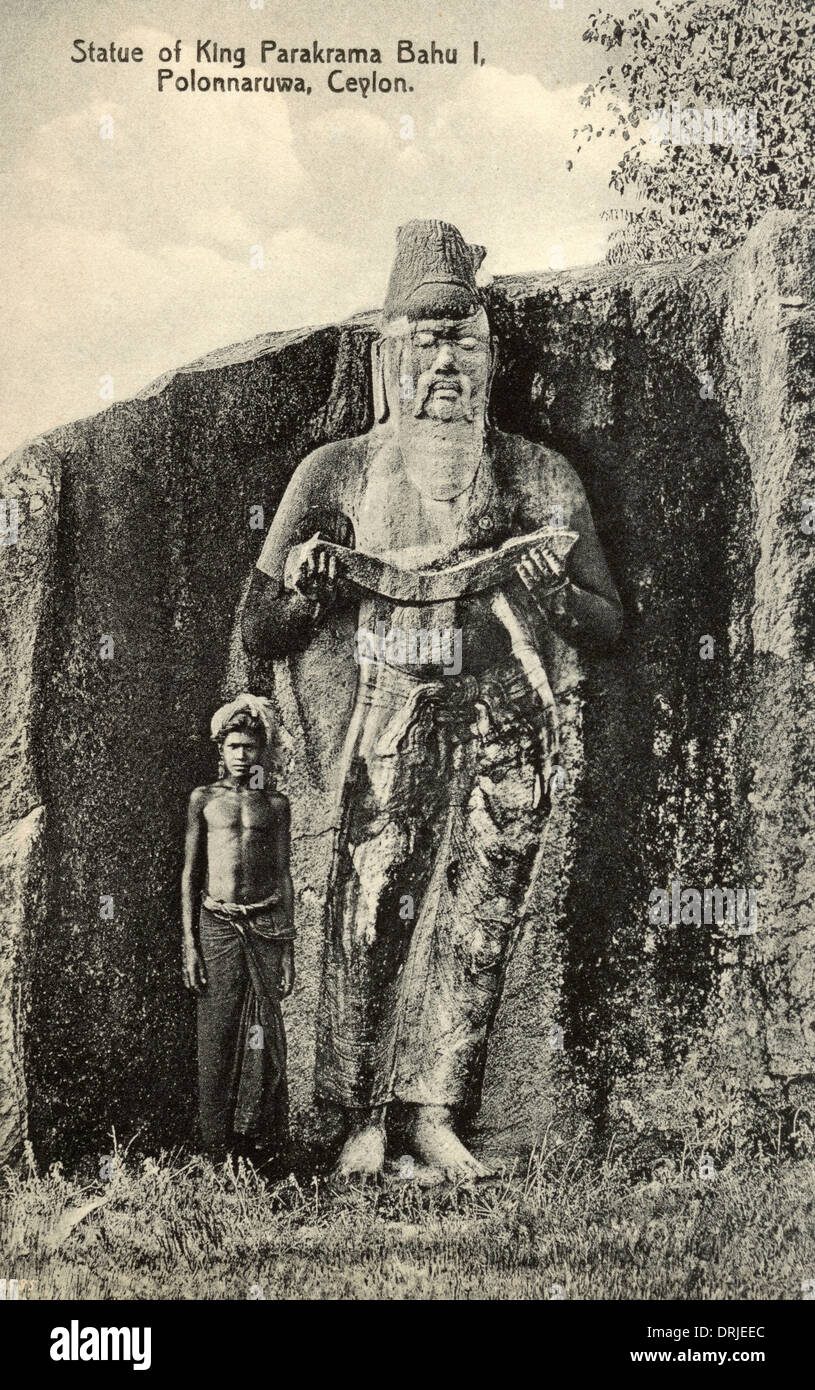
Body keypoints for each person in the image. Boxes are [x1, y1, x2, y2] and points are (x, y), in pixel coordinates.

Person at [242, 220, 622, 1179]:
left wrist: (551, 593)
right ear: (385, 361)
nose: (445, 368)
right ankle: (360, 1112)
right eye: (424, 346)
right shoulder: (339, 472)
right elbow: (261, 626)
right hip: (394, 703)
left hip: (507, 711)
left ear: (491, 361)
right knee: (375, 900)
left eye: (465, 346)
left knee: (485, 910)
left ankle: (435, 1109)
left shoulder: (539, 474)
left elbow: (605, 620)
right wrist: (313, 590)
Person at [181, 694, 295, 1163]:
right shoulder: (203, 800)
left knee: (265, 1036)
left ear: (261, 751)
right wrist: (190, 943)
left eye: (250, 747)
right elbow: (190, 874)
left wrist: (287, 948)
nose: (242, 756)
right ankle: (214, 1150)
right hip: (218, 927)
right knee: (218, 1033)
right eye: (234, 747)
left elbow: (284, 874)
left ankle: (262, 1150)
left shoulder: (276, 805)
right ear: (220, 750)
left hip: (266, 926)